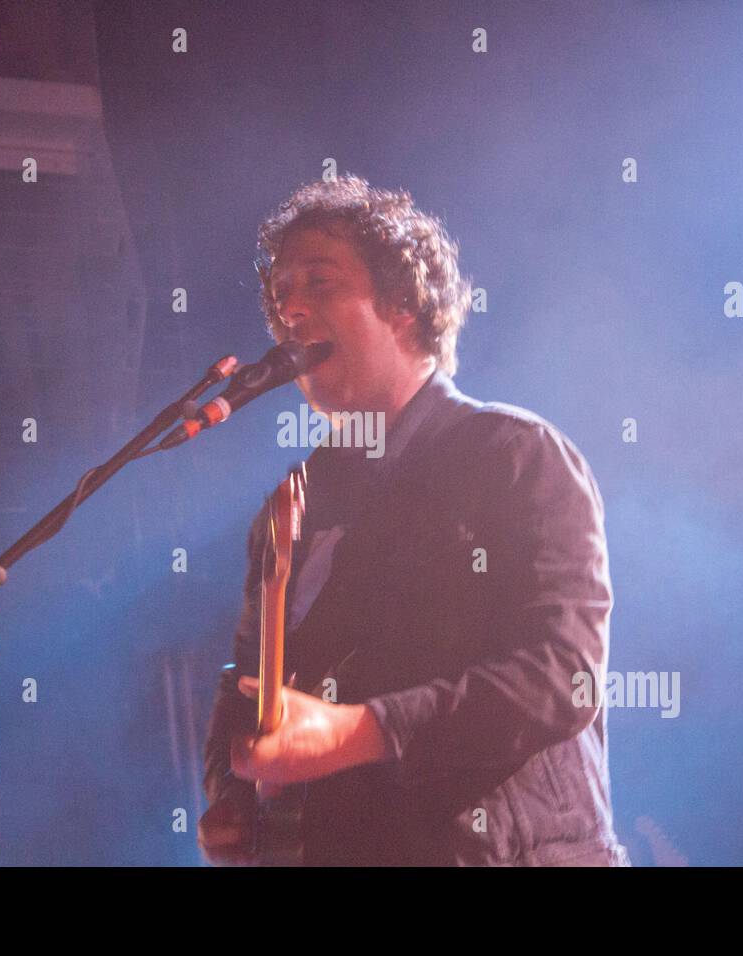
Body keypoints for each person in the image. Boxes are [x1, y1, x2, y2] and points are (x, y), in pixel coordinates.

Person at [198, 175, 629, 866]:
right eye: (282, 298)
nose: (293, 311)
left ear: (401, 304)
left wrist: (358, 731)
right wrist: (231, 796)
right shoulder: (295, 504)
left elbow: (563, 673)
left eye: (321, 284)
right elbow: (246, 682)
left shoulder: (514, 454)